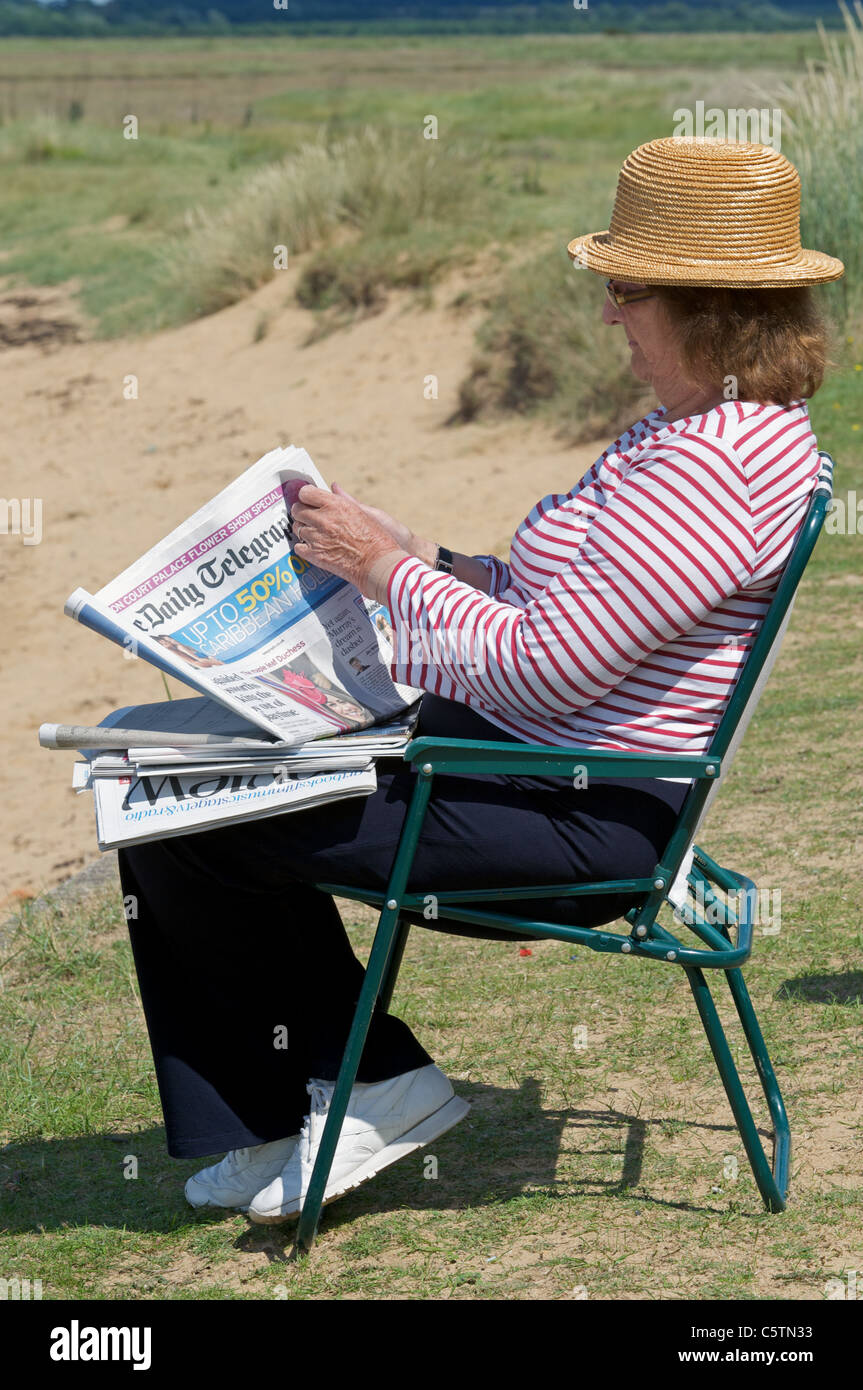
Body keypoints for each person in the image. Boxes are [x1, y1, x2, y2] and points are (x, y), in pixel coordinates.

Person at [116, 137, 843, 1225]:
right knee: (163, 758)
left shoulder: (713, 463)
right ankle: (298, 1098)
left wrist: (385, 571)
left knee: (183, 807)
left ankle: (359, 1083)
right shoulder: (690, 431)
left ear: (703, 306)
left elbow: (550, 666)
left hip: (577, 813)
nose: (606, 314)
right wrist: (432, 563)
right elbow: (548, 594)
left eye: (622, 289)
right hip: (526, 767)